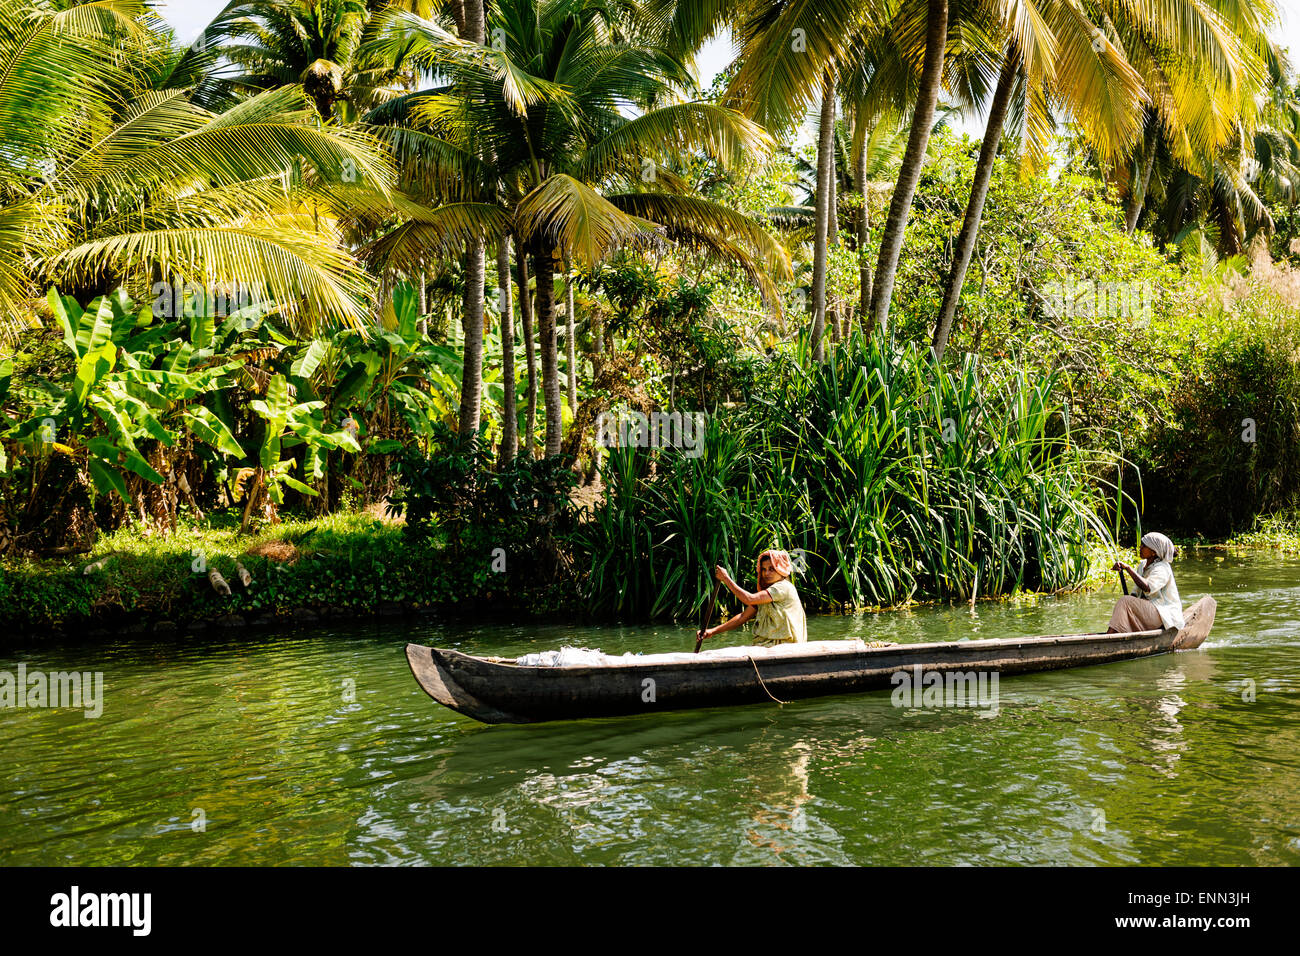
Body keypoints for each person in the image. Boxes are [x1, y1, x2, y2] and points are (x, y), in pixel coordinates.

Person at [699, 549, 808, 646]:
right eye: (764, 569)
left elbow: (749, 599)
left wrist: (726, 578)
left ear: (781, 569)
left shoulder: (783, 587)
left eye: (771, 569)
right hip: (767, 645)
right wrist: (712, 631)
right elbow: (742, 617)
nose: (766, 573)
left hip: (784, 646)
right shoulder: (766, 594)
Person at [1107, 532, 1185, 633]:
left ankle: (1110, 635)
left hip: (1164, 615)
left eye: (1144, 546)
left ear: (1153, 552)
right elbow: (1136, 594)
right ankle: (1113, 634)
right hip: (1151, 612)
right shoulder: (1142, 565)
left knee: (1124, 601)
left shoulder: (1162, 568)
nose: (1140, 547)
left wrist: (1128, 569)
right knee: (1126, 602)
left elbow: (1148, 587)